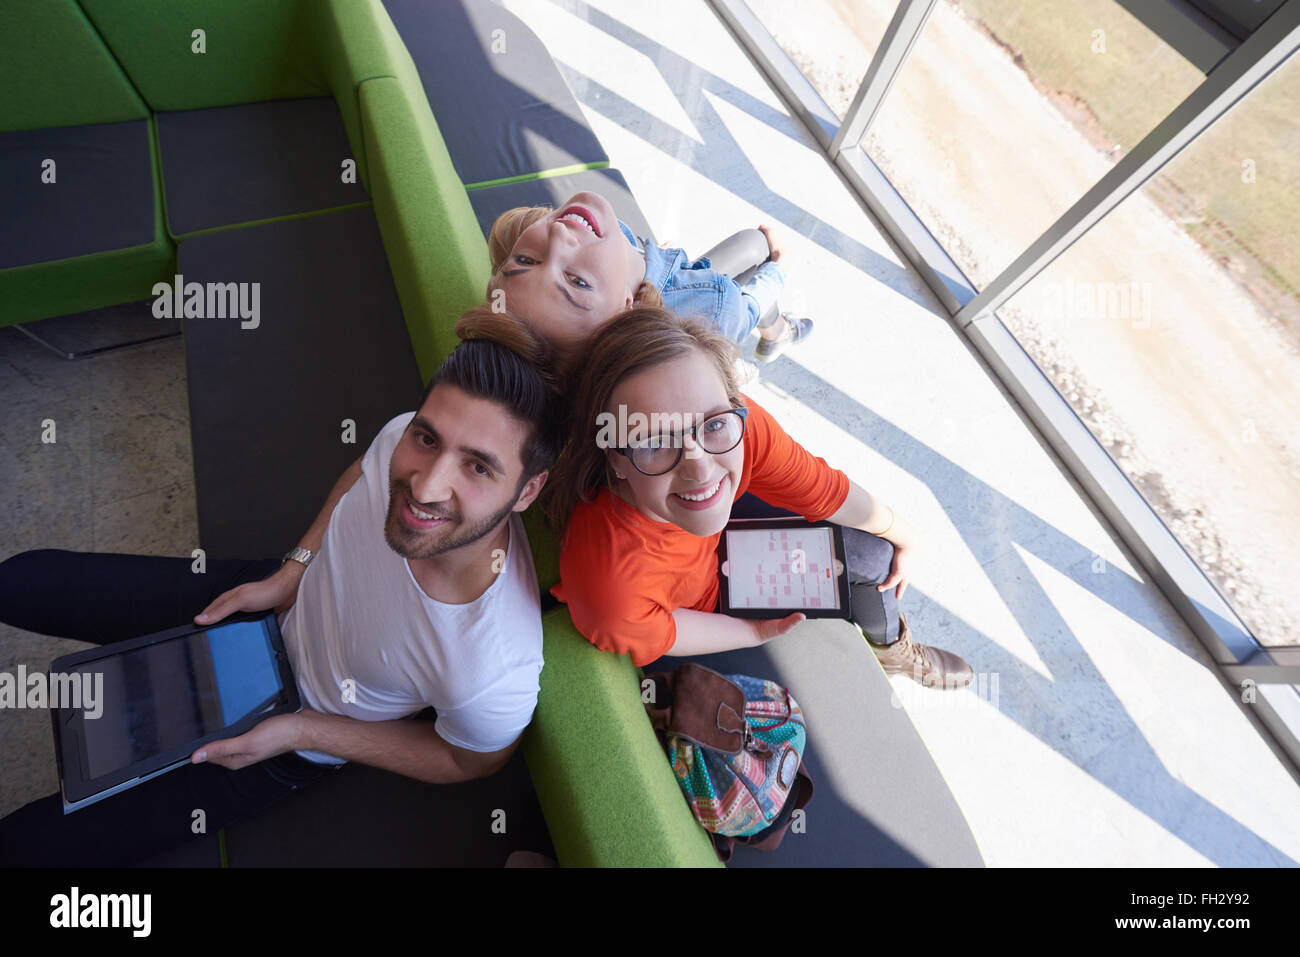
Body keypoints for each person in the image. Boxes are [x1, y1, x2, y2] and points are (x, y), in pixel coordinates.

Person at [0, 330, 562, 866]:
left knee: (34, 844)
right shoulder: (402, 438)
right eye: (428, 438)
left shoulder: (494, 667)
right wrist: (294, 569)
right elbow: (359, 473)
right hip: (266, 602)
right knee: (28, 578)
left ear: (527, 490)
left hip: (287, 728)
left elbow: (465, 758)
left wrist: (303, 731)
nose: (425, 485)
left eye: (478, 466)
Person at [544, 307, 973, 687]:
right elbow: (664, 627)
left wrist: (905, 532)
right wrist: (752, 632)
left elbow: (822, 488)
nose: (699, 465)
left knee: (876, 554)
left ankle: (890, 648)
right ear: (614, 458)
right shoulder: (608, 587)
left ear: (732, 404)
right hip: (708, 591)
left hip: (716, 520)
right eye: (655, 442)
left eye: (712, 424)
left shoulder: (741, 428)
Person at [484, 189, 813, 363]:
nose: (558, 235)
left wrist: (642, 257)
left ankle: (776, 334)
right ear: (625, 307)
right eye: (577, 282)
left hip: (661, 274)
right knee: (757, 246)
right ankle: (777, 334)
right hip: (706, 306)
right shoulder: (713, 308)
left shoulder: (586, 231)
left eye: (526, 260)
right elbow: (748, 309)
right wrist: (779, 269)